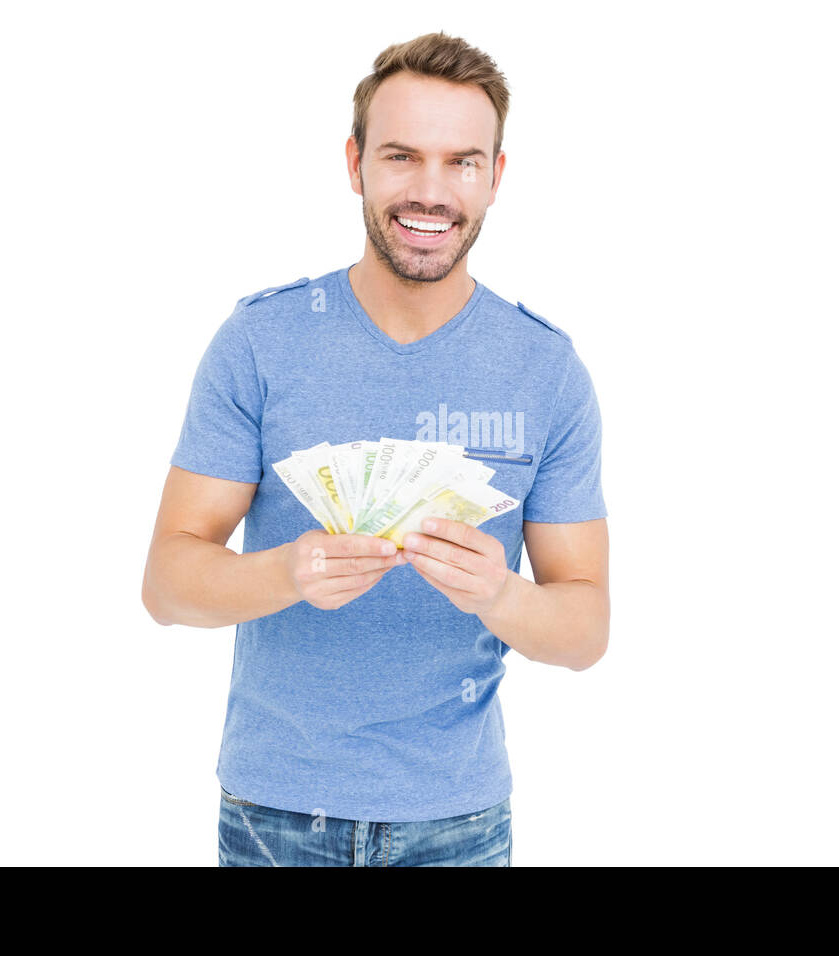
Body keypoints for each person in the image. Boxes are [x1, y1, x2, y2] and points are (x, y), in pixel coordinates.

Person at [141, 31, 609, 866]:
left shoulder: (547, 370)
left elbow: (585, 628)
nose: (431, 191)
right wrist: (287, 572)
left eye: (462, 162)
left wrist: (498, 592)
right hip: (273, 818)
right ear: (355, 164)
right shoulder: (260, 343)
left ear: (496, 179)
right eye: (402, 156)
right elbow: (168, 586)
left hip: (459, 828)